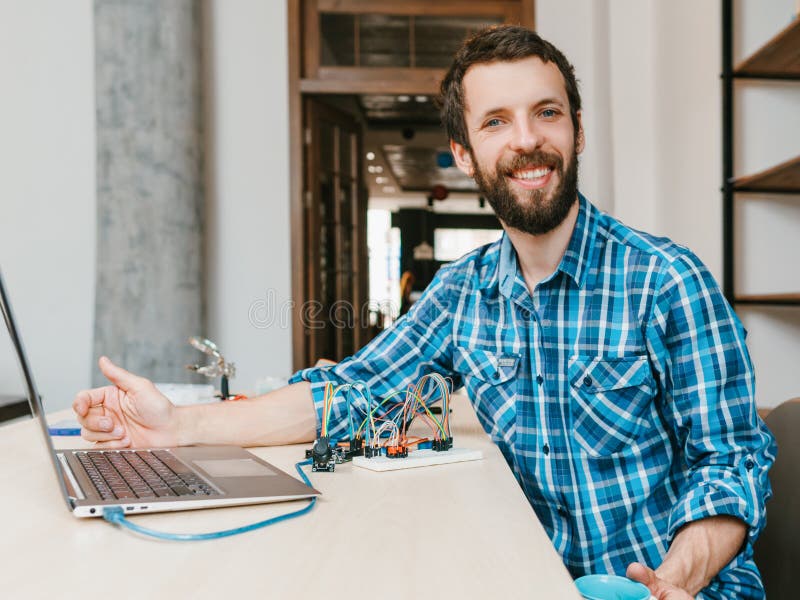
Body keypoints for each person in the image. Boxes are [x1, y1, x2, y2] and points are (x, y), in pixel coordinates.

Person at [74, 26, 775, 599]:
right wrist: (179, 424)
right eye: (496, 122)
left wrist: (675, 579)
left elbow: (732, 460)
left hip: (681, 588)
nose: (526, 140)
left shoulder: (667, 280)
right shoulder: (461, 293)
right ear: (465, 155)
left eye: (547, 112)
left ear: (578, 131)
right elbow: (350, 393)